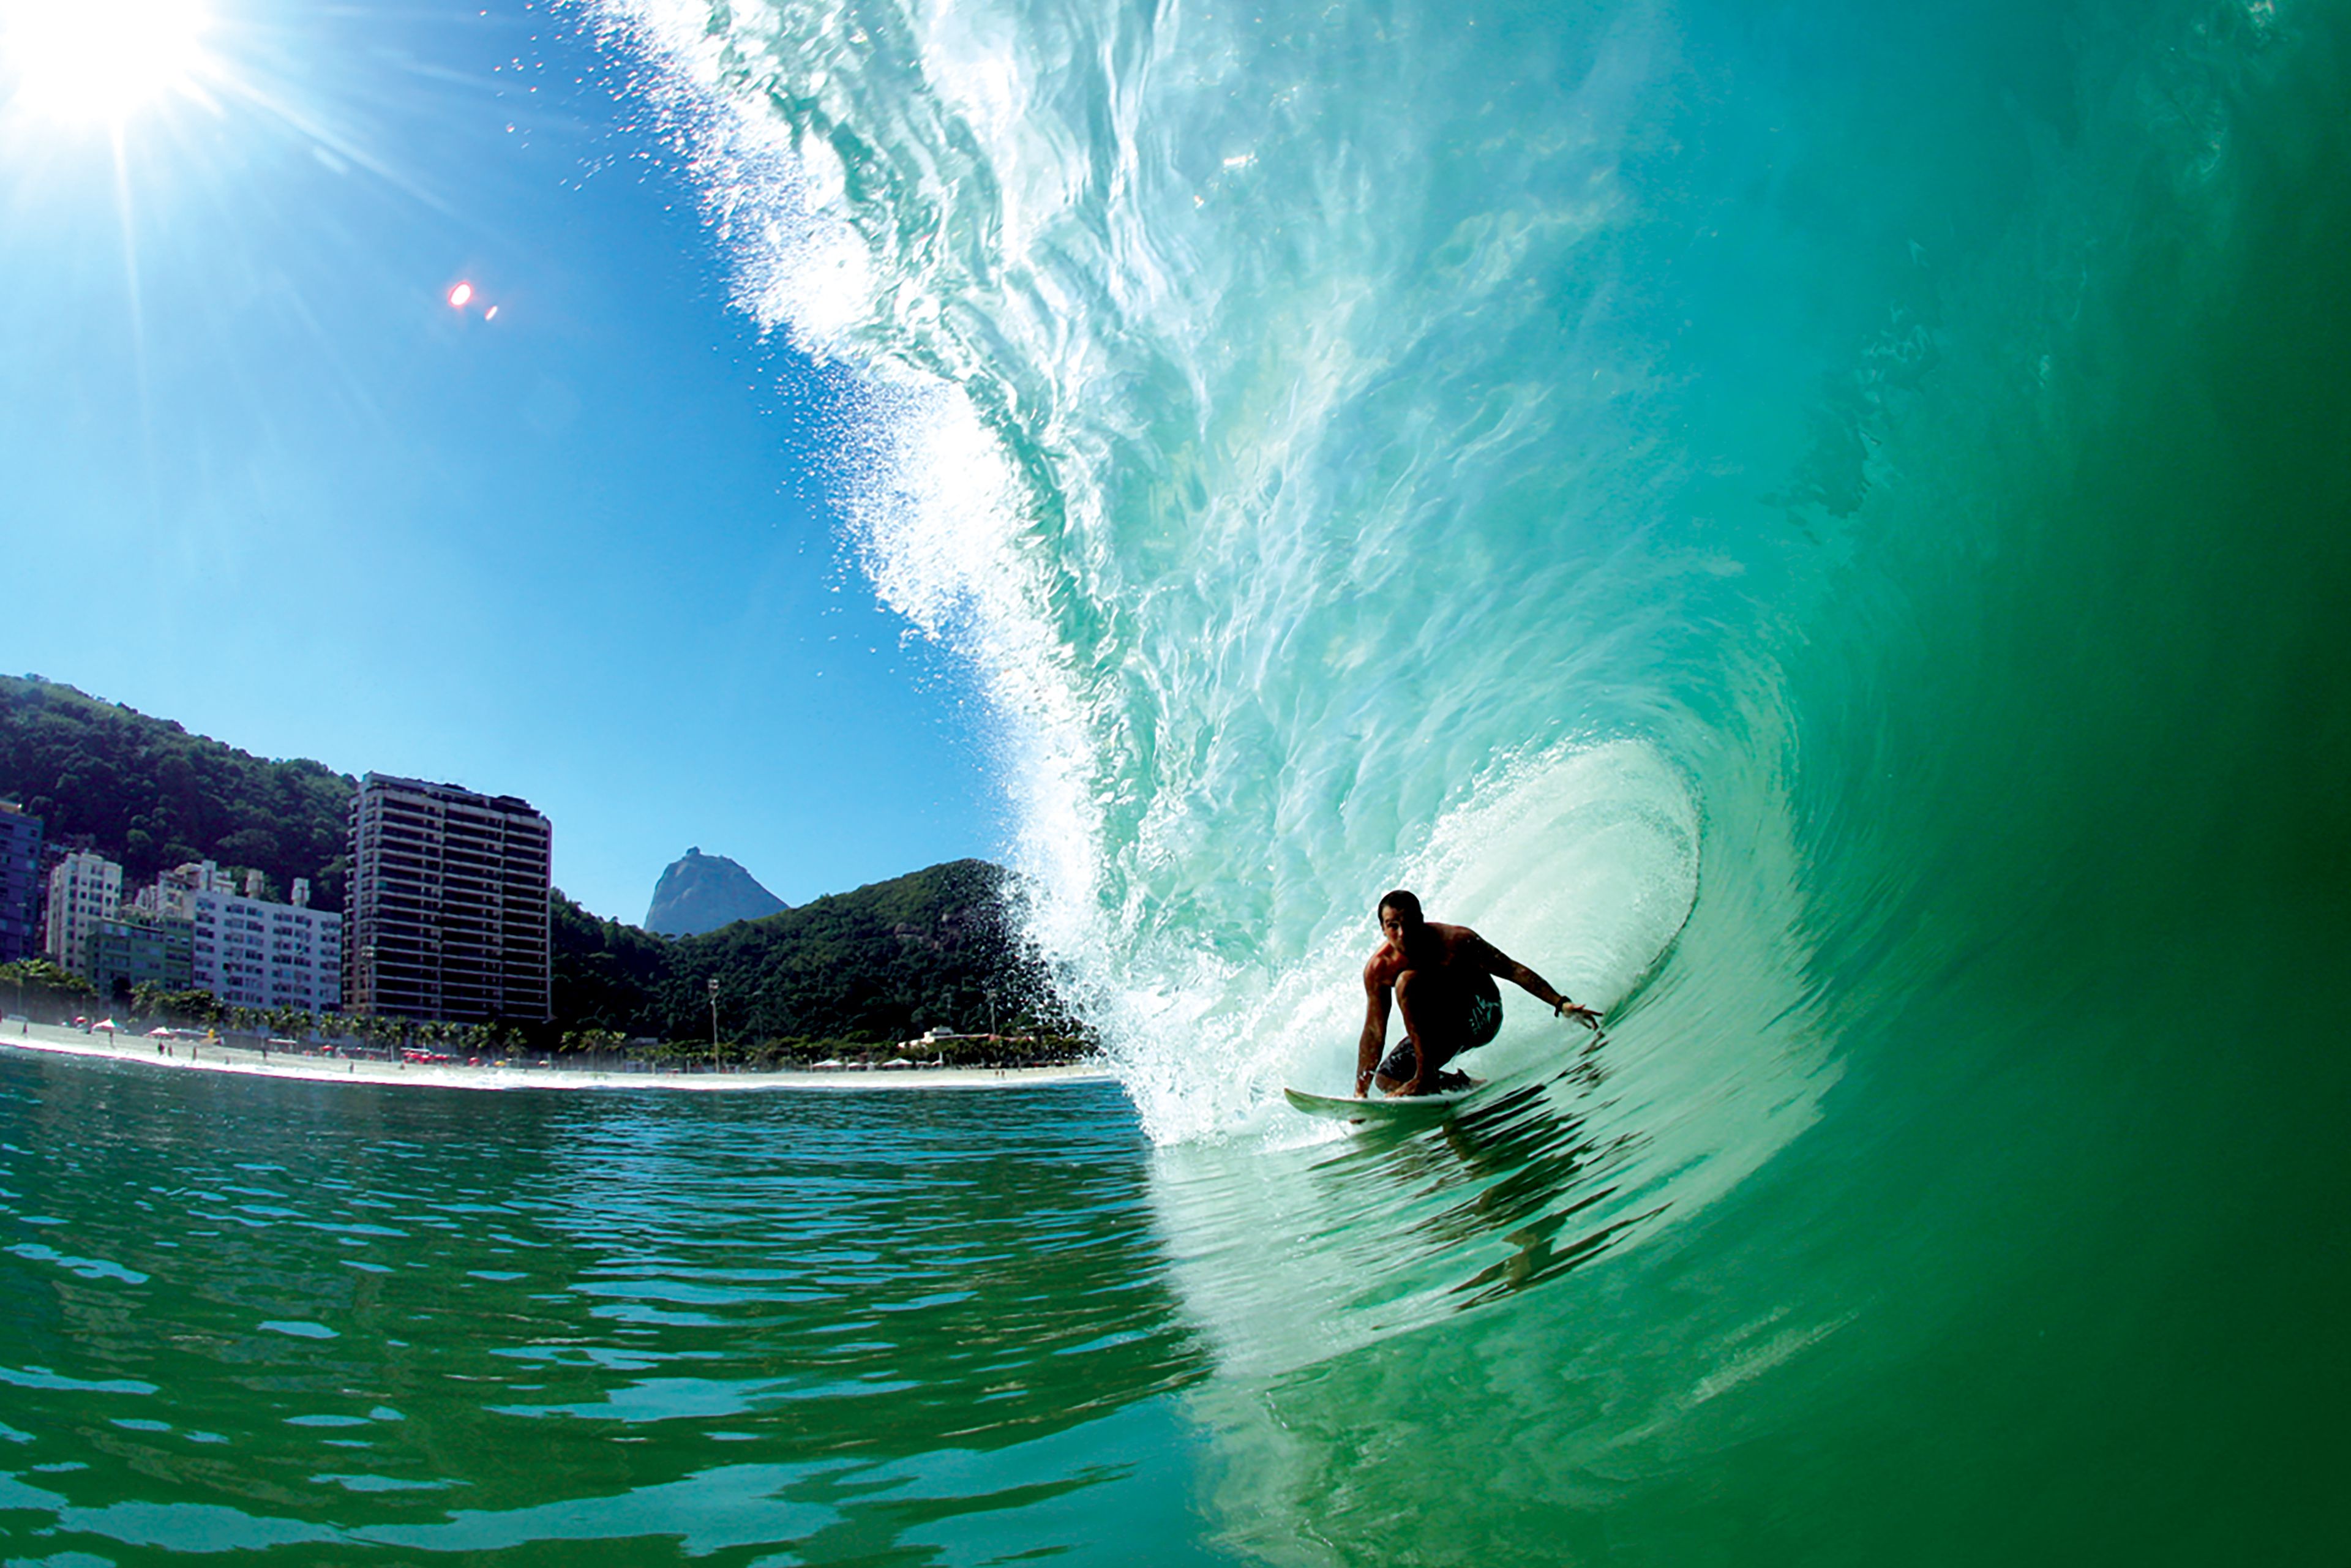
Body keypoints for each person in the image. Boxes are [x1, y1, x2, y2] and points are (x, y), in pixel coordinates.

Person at [1355, 888, 1602, 1098]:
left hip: (1483, 1014)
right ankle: (1460, 1085)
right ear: (1383, 929)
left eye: (1408, 923)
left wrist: (1561, 1003)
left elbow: (1512, 969)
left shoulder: (1456, 941)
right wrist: (1361, 1092)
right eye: (1393, 926)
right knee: (1387, 1079)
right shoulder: (1379, 969)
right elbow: (1375, 1031)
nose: (1403, 934)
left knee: (1407, 982)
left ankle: (1426, 1078)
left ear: (1421, 919)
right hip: (1441, 1028)